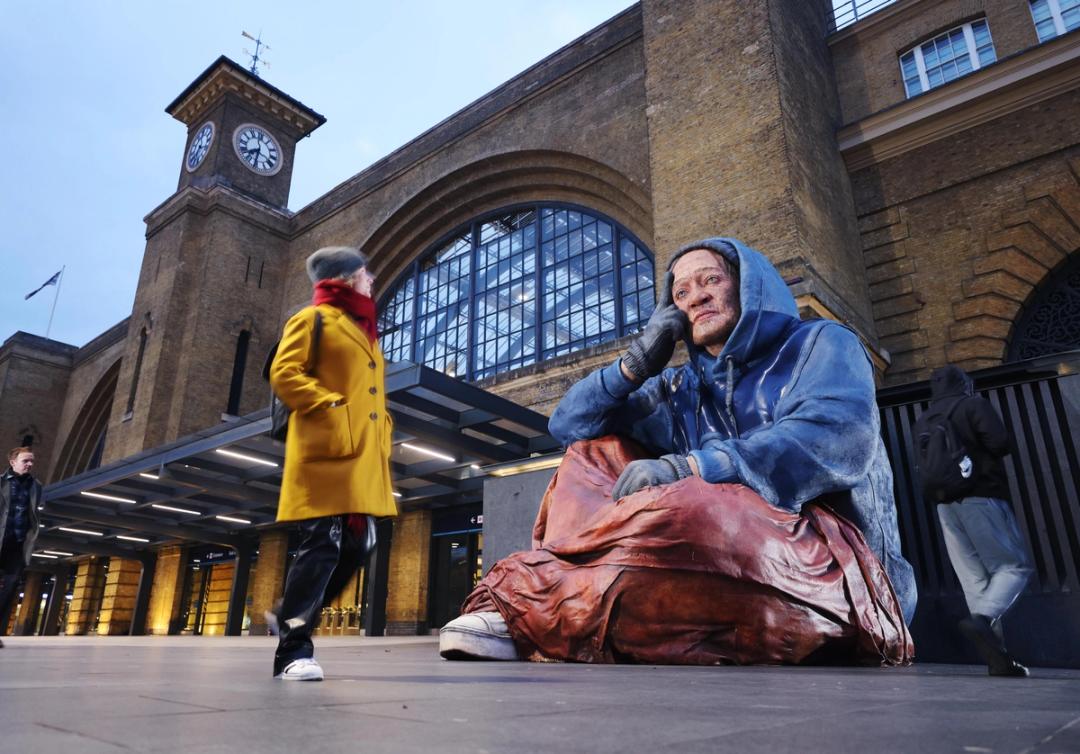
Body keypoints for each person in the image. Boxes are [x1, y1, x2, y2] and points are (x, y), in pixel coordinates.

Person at [440, 237, 915, 666]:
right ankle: (569, 590)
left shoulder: (821, 343)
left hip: (838, 562)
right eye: (681, 293)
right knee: (592, 455)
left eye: (711, 280)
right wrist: (637, 361)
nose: (697, 297)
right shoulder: (678, 387)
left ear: (749, 286)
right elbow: (569, 425)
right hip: (706, 550)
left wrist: (690, 467)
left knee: (702, 506)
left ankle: (524, 605)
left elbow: (834, 440)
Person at [267, 246, 397, 680]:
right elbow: (285, 374)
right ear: (347, 278)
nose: (372, 280)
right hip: (326, 449)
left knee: (361, 544)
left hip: (360, 456)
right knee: (321, 544)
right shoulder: (312, 320)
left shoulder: (363, 329)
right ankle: (292, 651)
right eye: (367, 274)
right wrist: (330, 406)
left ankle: (290, 614)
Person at [915, 365, 1032, 677]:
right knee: (1013, 567)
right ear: (964, 382)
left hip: (944, 507)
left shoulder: (924, 418)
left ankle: (998, 659)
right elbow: (1000, 443)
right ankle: (983, 619)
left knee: (975, 581)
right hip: (982, 496)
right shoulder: (972, 405)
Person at [1, 447, 42, 647]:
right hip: (1, 539)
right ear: (13, 462)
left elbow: (33, 514)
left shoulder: (36, 486)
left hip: (18, 544)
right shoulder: (1, 482)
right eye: (26, 460)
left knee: (10, 588)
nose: (30, 464)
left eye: (32, 461)